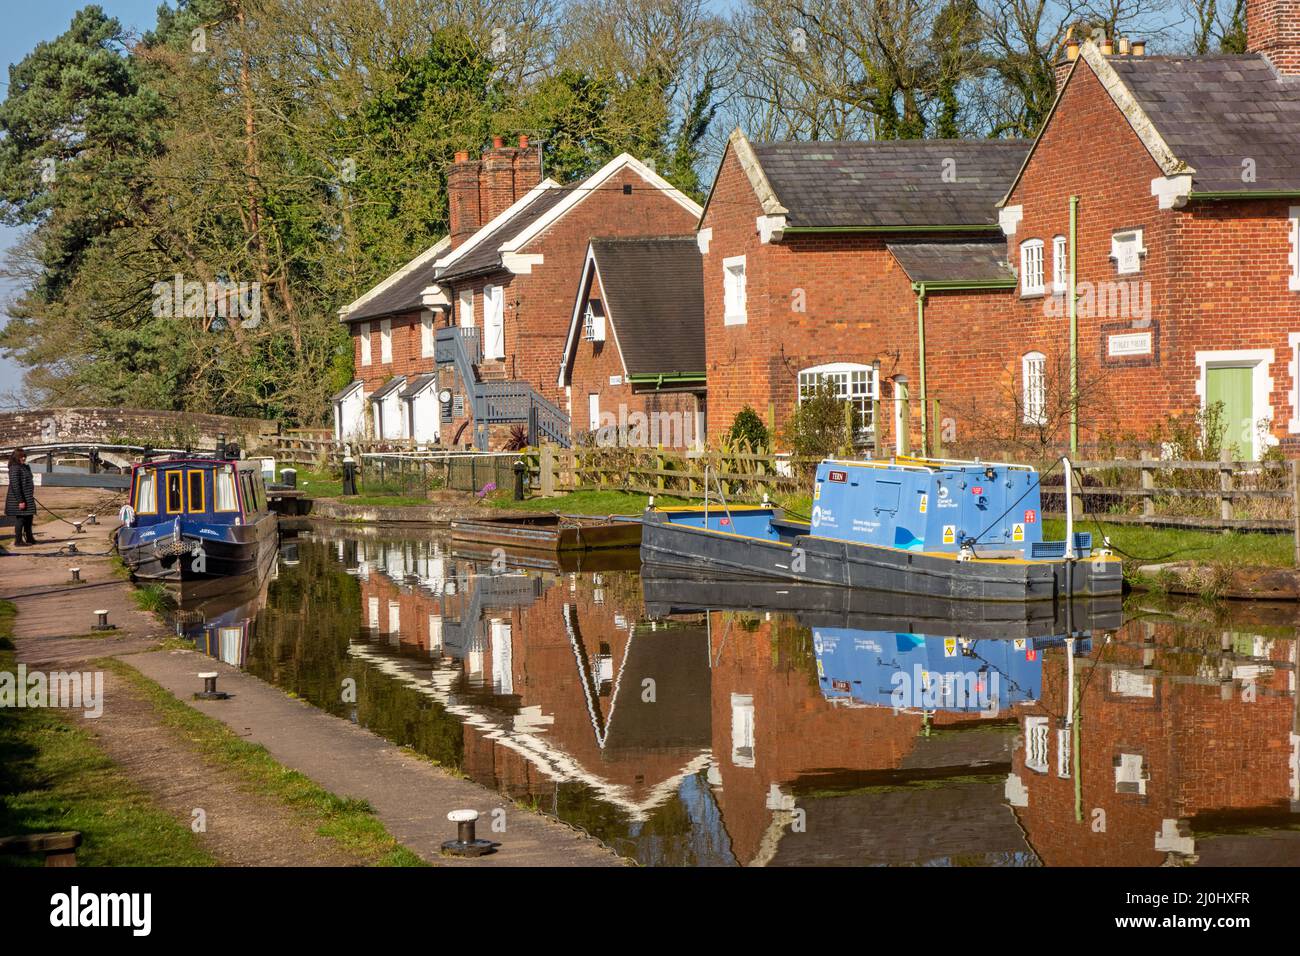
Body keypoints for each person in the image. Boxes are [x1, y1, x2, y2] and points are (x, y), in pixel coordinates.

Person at [6, 447, 37, 547]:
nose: (23, 458)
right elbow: (15, 485)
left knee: (29, 518)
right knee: (21, 519)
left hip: (28, 496)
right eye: (21, 456)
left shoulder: (24, 467)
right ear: (16, 457)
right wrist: (20, 501)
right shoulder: (14, 468)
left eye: (24, 456)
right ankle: (18, 541)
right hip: (19, 498)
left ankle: (29, 537)